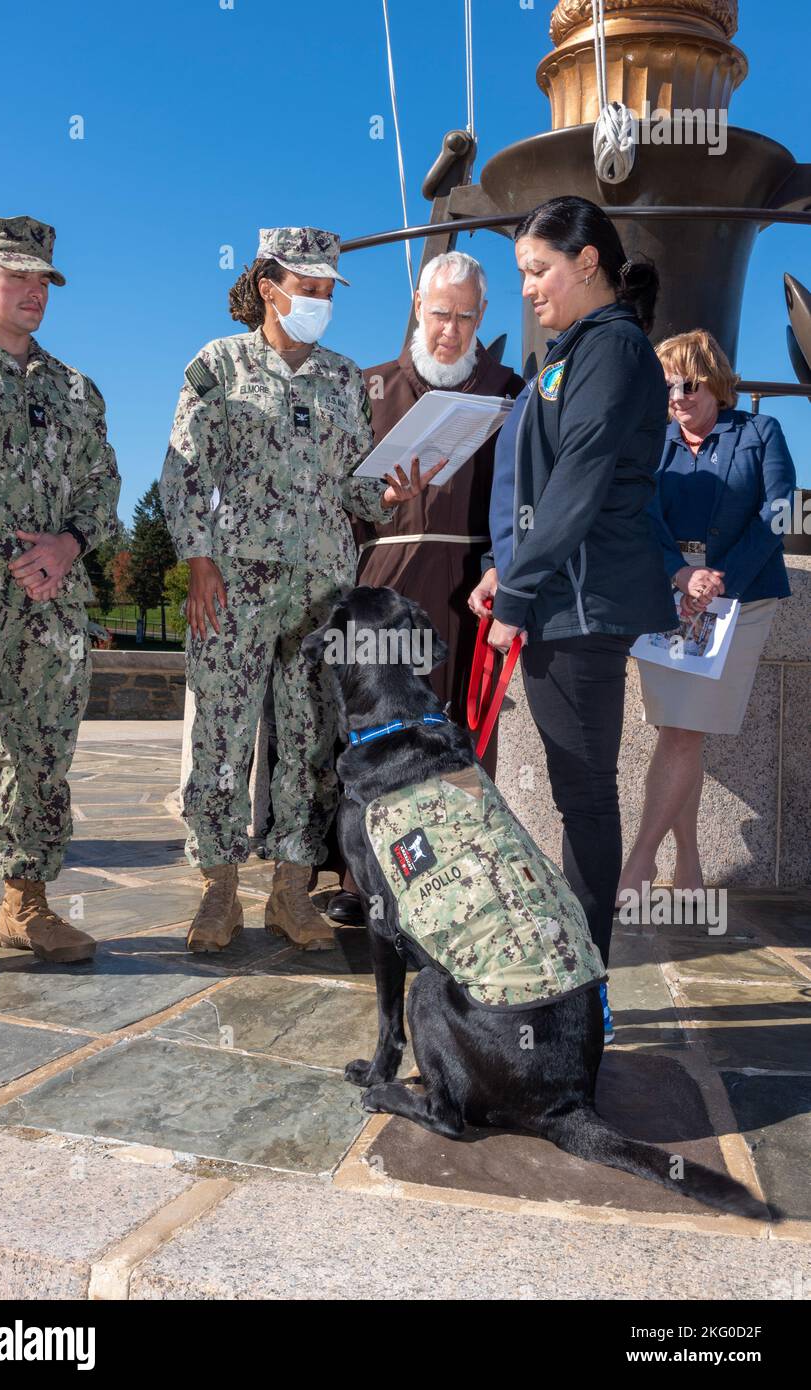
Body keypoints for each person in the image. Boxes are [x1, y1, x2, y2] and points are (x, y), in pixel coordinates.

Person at [161, 227, 443, 955]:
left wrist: (393, 493)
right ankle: (218, 890)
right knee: (222, 734)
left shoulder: (345, 379)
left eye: (328, 292)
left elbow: (355, 484)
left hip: (322, 588)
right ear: (268, 286)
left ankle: (290, 891)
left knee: (310, 739)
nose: (321, 303)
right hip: (234, 582)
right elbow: (184, 470)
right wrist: (197, 559)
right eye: (309, 289)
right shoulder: (215, 366)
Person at [468, 195, 677, 1042]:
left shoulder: (615, 349)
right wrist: (498, 571)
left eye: (536, 271)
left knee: (585, 799)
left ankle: (586, 995)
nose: (526, 290)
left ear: (586, 262)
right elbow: (534, 485)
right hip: (554, 593)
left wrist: (517, 596)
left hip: (579, 605)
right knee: (575, 794)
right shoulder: (573, 351)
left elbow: (581, 480)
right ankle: (575, 978)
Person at [0, 216, 121, 987]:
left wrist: (68, 546)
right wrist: (19, 552)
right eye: (16, 276)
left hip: (52, 608)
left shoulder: (75, 388)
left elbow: (103, 488)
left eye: (43, 279)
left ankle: (25, 903)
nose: (33, 292)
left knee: (44, 758)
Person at [326, 250, 525, 926]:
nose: (450, 330)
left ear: (482, 318)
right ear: (416, 305)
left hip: (469, 585)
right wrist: (377, 496)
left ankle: (460, 878)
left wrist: (506, 562)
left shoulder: (507, 389)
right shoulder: (367, 385)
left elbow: (522, 488)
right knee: (376, 731)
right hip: (384, 583)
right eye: (440, 313)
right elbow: (331, 499)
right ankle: (362, 881)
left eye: (465, 317)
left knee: (458, 736)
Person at [618, 329, 796, 898]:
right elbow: (642, 514)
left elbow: (780, 510)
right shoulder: (654, 443)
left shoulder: (760, 432)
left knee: (683, 731)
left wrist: (722, 578)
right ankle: (688, 863)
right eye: (666, 387)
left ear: (715, 382)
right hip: (666, 598)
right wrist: (681, 573)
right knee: (679, 730)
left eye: (687, 384)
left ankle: (638, 864)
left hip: (739, 601)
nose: (676, 396)